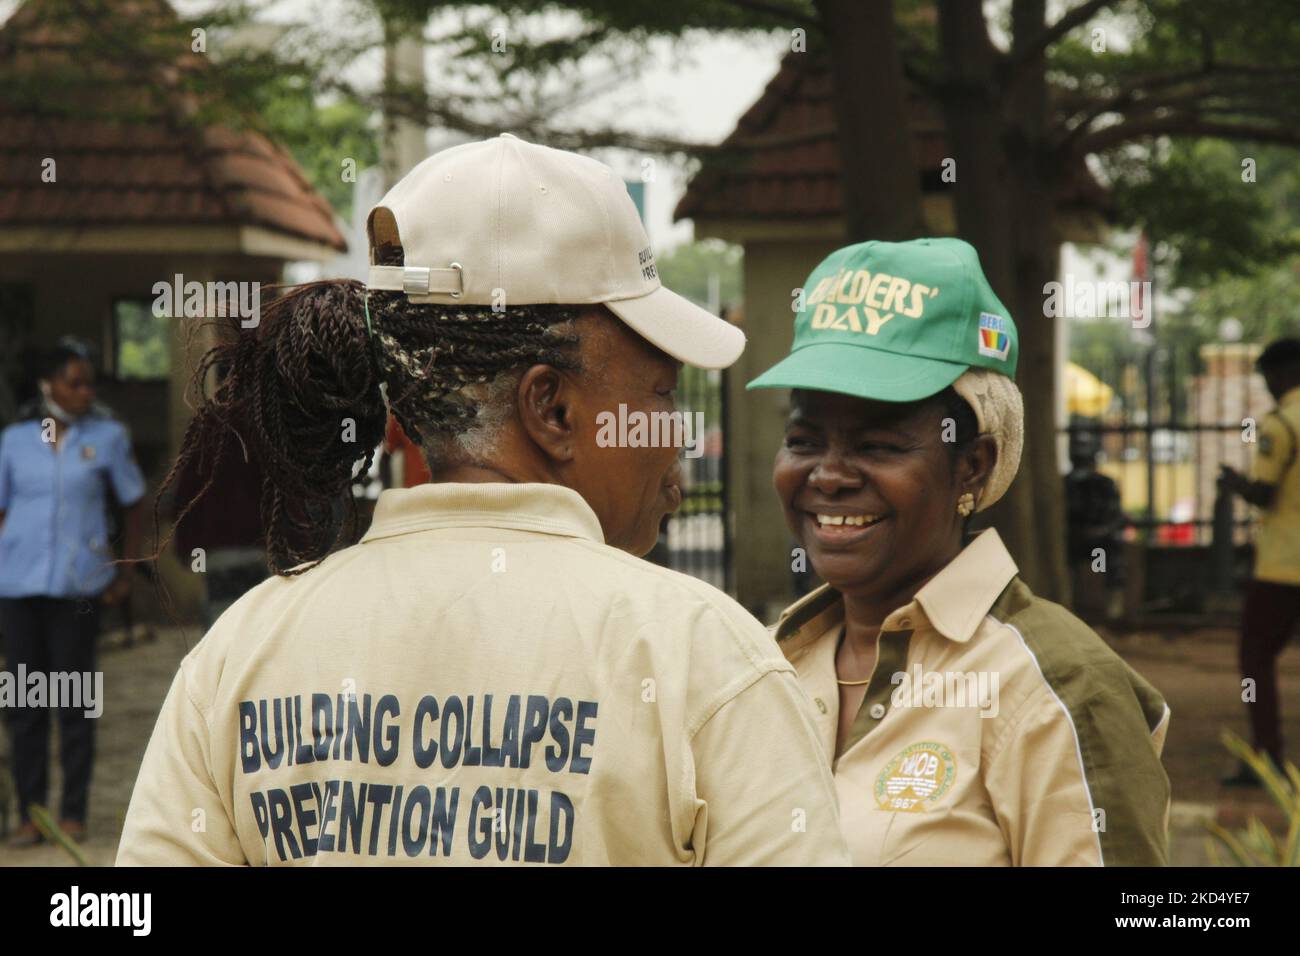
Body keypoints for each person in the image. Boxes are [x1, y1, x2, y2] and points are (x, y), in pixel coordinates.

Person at [117, 134, 849, 867]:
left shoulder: (238, 658)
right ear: (551, 410)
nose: (673, 439)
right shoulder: (705, 658)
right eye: (659, 393)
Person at [748, 238, 1171, 866]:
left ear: (972, 467)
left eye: (880, 445)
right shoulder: (765, 661)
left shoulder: (1056, 683)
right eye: (805, 439)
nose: (829, 475)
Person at [0, 345, 145, 846]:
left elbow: (133, 505)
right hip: (18, 590)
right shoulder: (14, 443)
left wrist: (125, 572)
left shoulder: (106, 439)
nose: (85, 393)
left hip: (79, 591)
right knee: (24, 706)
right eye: (75, 383)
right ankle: (31, 814)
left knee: (75, 703)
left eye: (89, 384)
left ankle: (73, 813)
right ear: (48, 386)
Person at [1219, 337, 1300, 785]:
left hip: (1284, 567)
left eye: (1268, 377)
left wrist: (1236, 485)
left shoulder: (1280, 424)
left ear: (1282, 374)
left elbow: (1264, 493)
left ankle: (1267, 757)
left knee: (1256, 657)